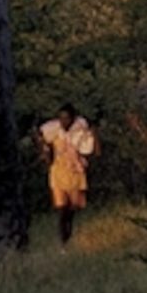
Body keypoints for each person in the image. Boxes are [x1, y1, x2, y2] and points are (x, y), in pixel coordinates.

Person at [38, 103, 97, 244]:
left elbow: (89, 150)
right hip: (58, 172)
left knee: (72, 207)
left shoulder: (79, 130)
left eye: (67, 118)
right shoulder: (53, 130)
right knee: (61, 207)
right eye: (61, 118)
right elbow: (42, 140)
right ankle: (63, 239)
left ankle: (67, 234)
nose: (64, 122)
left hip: (75, 172)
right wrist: (44, 151)